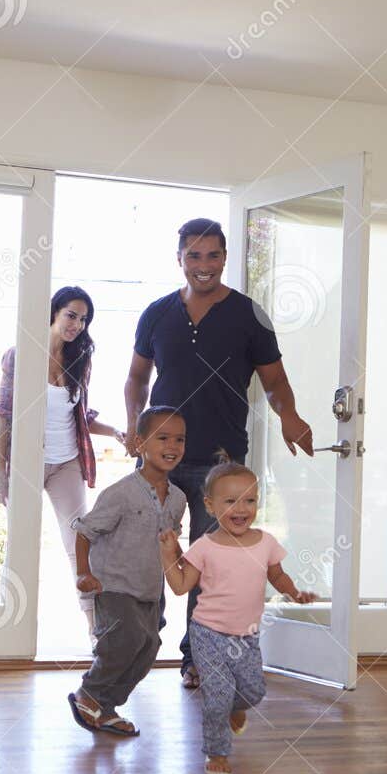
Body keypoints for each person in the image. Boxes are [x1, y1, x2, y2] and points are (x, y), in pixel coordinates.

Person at [125, 217, 314, 689]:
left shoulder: (251, 315)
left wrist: (290, 415)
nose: (203, 265)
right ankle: (137, 648)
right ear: (180, 259)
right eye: (194, 255)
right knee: (153, 555)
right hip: (159, 460)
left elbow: (275, 382)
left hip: (220, 463)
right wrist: (133, 425)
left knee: (210, 566)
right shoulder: (156, 313)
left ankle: (197, 658)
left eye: (212, 255)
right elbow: (136, 378)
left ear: (225, 258)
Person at [160, 455, 315, 774]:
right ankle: (216, 752)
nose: (241, 509)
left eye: (250, 500)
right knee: (216, 693)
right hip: (208, 633)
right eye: (231, 501)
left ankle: (234, 709)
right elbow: (179, 586)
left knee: (253, 692)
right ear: (210, 506)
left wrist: (294, 592)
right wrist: (167, 556)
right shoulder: (204, 547)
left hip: (247, 635)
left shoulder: (265, 542)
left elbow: (277, 575)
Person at [0, 286, 126, 639]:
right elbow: (5, 415)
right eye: (71, 315)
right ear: (53, 313)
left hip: (67, 463)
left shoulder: (80, 359)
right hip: (27, 461)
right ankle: (10, 631)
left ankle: (95, 629)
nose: (77, 325)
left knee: (79, 545)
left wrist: (116, 432)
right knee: (20, 541)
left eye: (83, 320)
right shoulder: (20, 356)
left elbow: (80, 416)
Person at [66, 407, 188, 737]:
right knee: (125, 639)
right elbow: (84, 531)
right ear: (139, 443)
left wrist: (181, 563)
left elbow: (170, 540)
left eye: (180, 439)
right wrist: (83, 573)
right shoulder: (120, 493)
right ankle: (89, 693)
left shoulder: (178, 498)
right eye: (163, 437)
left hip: (150, 588)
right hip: (114, 585)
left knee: (148, 648)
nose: (172, 446)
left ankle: (104, 706)